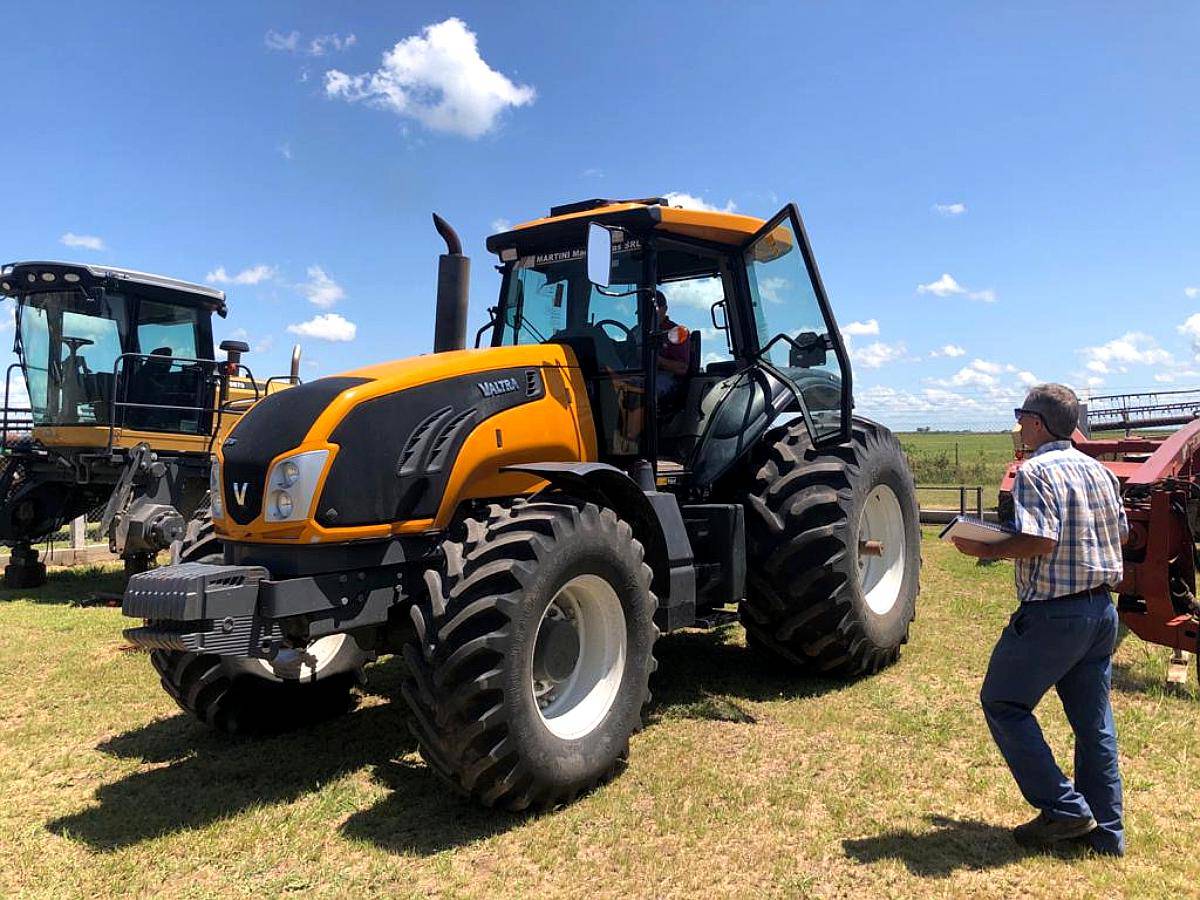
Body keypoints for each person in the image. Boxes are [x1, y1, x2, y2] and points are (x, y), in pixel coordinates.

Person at [951, 383, 1128, 856]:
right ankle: (1107, 836)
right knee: (1094, 725)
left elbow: (1040, 540)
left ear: (1037, 422)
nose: (1018, 425)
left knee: (1004, 702)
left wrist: (985, 546)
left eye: (1021, 415)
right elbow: (1123, 533)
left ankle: (1065, 808)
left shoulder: (1035, 472)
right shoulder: (1101, 472)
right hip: (1100, 613)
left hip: (1053, 615)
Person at [653, 291, 690, 411]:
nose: (648, 315)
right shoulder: (636, 331)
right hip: (639, 374)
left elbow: (682, 368)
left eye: (653, 310)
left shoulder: (676, 332)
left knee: (641, 389)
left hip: (668, 379)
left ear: (664, 309)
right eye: (644, 311)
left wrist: (655, 360)